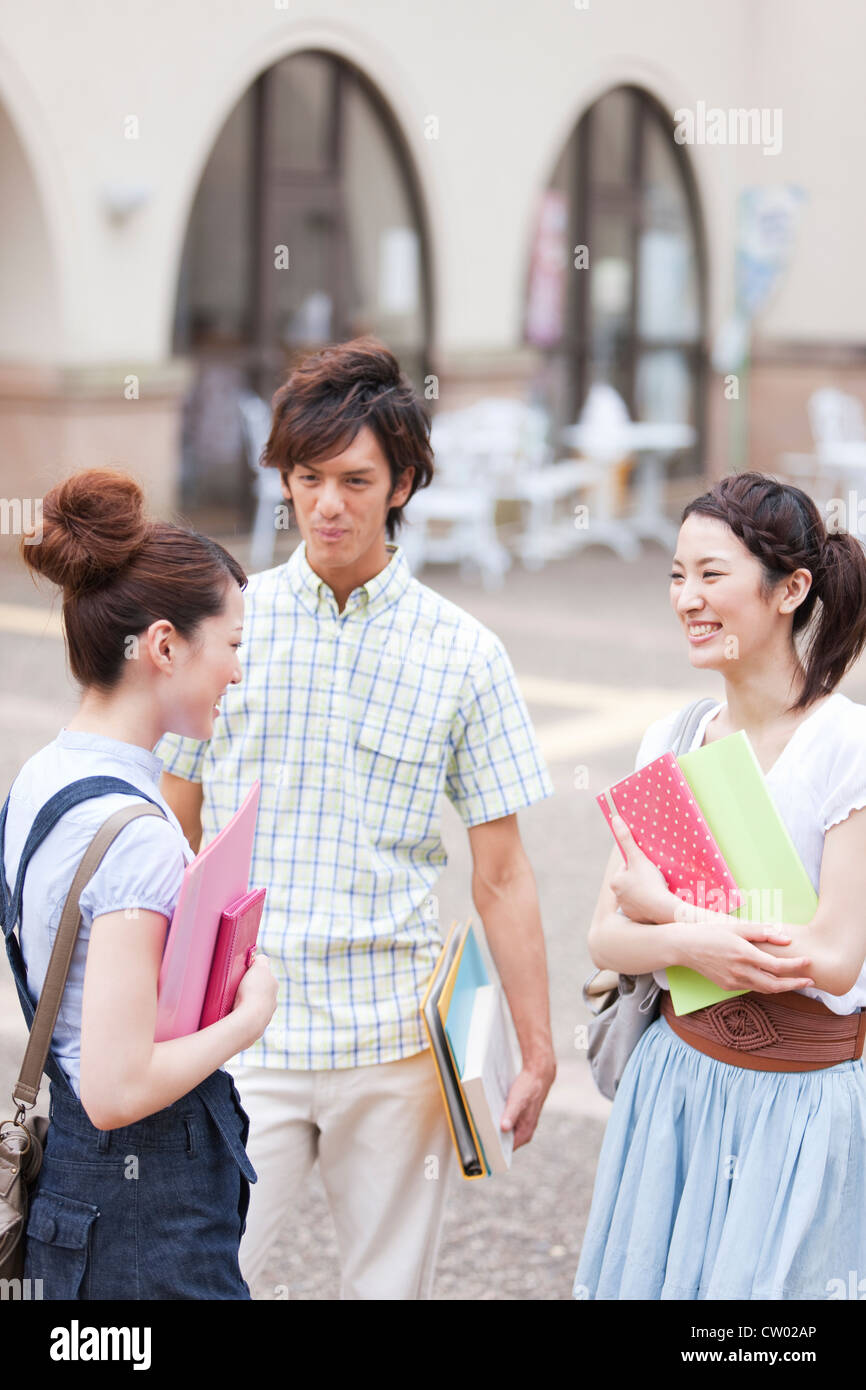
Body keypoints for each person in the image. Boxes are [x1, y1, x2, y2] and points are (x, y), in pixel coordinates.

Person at [156, 337, 557, 1300]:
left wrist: (539, 1048)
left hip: (398, 1046)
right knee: (197, 1280)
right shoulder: (226, 624)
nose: (325, 504)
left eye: (353, 478)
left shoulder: (466, 654)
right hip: (243, 1035)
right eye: (305, 477)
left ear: (404, 482)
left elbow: (499, 871)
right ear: (283, 480)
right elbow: (173, 817)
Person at [575, 470, 866, 1301]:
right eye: (676, 575)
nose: (687, 599)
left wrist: (670, 917)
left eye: (711, 574)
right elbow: (606, 936)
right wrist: (683, 940)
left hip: (803, 1103)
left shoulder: (847, 746)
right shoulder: (671, 738)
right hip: (678, 1079)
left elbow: (836, 959)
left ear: (791, 589)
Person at [1, 468, 278, 1300]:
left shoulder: (39, 780)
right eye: (230, 644)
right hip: (146, 1211)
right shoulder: (138, 838)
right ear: (163, 646)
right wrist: (250, 1015)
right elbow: (118, 1088)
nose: (236, 672)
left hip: (80, 1193)